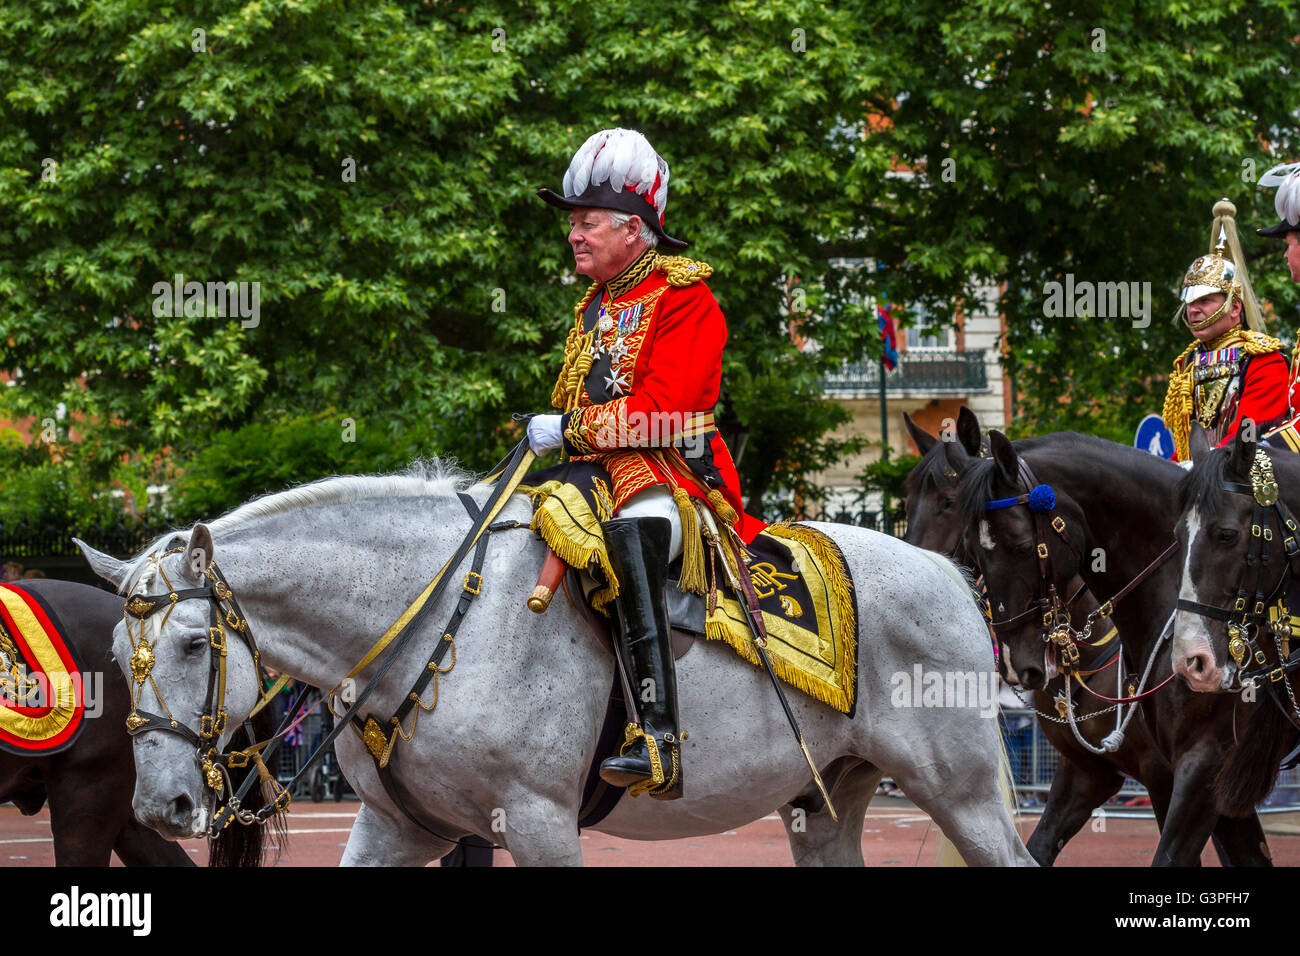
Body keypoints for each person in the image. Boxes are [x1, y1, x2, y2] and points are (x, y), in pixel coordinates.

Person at [527, 128, 763, 799]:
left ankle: (657, 738)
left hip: (673, 472)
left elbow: (661, 411)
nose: (573, 234)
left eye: (587, 222)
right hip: (596, 468)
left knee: (635, 537)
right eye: (572, 222)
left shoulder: (685, 296)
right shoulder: (597, 305)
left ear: (633, 229)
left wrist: (569, 428)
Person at [1161, 199, 1288, 461]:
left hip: (1246, 480)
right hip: (1199, 475)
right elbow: (1184, 446)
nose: (1193, 310)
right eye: (1190, 303)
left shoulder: (1262, 359)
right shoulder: (1188, 362)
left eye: (1204, 301)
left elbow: (1249, 435)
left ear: (1234, 308)